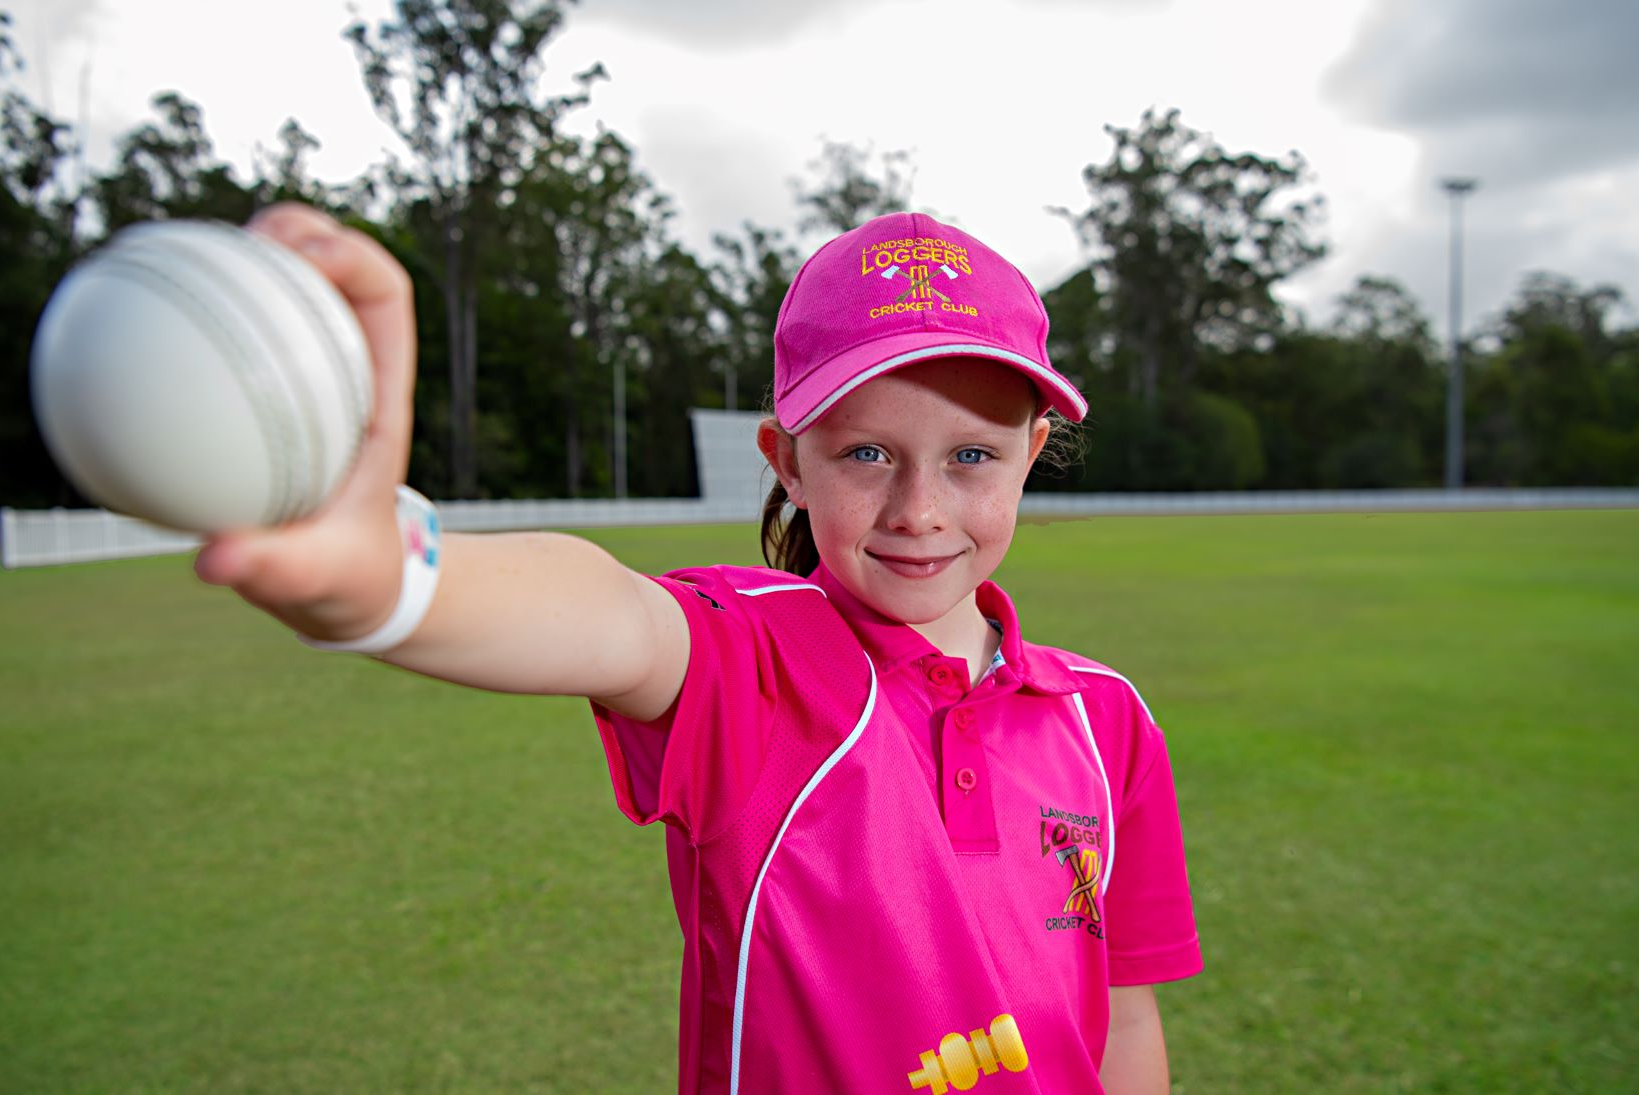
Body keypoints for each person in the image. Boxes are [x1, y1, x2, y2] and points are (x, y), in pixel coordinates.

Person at [197, 205, 1201, 1094]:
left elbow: (1123, 1014)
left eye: (971, 457)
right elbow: (610, 618)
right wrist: (390, 574)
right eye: (865, 453)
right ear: (788, 464)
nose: (918, 510)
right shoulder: (756, 661)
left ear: (1030, 454)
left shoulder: (1102, 717)